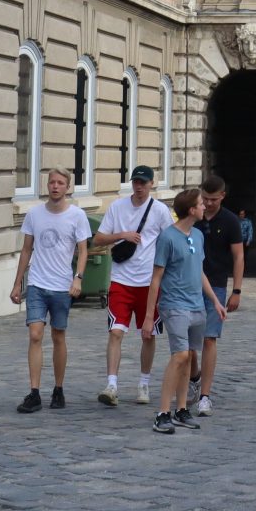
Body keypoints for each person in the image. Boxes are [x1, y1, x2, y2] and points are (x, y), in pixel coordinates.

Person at [145, 188, 228, 433]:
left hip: (197, 306)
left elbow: (199, 270)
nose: (205, 207)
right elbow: (156, 278)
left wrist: (214, 300)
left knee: (190, 357)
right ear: (191, 210)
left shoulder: (198, 236)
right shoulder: (167, 238)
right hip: (174, 305)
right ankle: (162, 412)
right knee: (179, 356)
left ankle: (181, 409)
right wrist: (150, 317)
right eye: (201, 204)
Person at [10, 167, 90, 412]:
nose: (55, 186)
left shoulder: (77, 216)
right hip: (37, 283)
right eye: (52, 182)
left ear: (67, 187)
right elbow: (26, 250)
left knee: (58, 336)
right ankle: (34, 392)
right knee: (35, 334)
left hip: (61, 286)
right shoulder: (34, 214)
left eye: (60, 183)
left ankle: (58, 388)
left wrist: (78, 278)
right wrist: (17, 283)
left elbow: (83, 250)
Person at [92, 165, 170, 406]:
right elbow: (98, 238)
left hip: (149, 282)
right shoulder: (117, 207)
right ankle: (112, 384)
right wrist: (122, 235)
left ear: (151, 185)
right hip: (121, 279)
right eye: (136, 182)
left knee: (148, 334)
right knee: (116, 332)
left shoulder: (160, 211)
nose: (139, 187)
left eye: (143, 183)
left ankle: (144, 383)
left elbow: (170, 241)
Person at [190, 178, 246, 416]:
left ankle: (205, 395)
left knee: (209, 338)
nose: (209, 203)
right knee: (188, 341)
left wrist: (237, 290)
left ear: (222, 196)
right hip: (189, 285)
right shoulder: (194, 216)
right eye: (206, 198)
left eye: (214, 199)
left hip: (217, 285)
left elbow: (238, 257)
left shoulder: (231, 221)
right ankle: (193, 375)